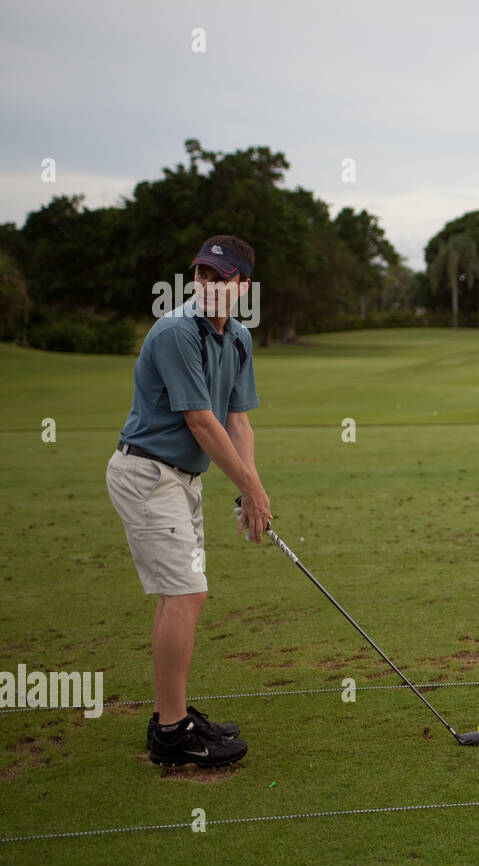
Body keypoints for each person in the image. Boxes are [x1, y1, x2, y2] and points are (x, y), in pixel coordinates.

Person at [106, 235, 273, 768]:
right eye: (201, 275)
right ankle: (174, 735)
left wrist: (251, 487)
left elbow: (236, 418)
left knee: (176, 595)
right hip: (149, 474)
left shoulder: (239, 338)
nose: (208, 286)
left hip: (182, 481)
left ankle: (167, 716)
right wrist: (250, 488)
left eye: (221, 279)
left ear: (243, 287)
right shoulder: (177, 331)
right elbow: (200, 421)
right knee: (187, 594)